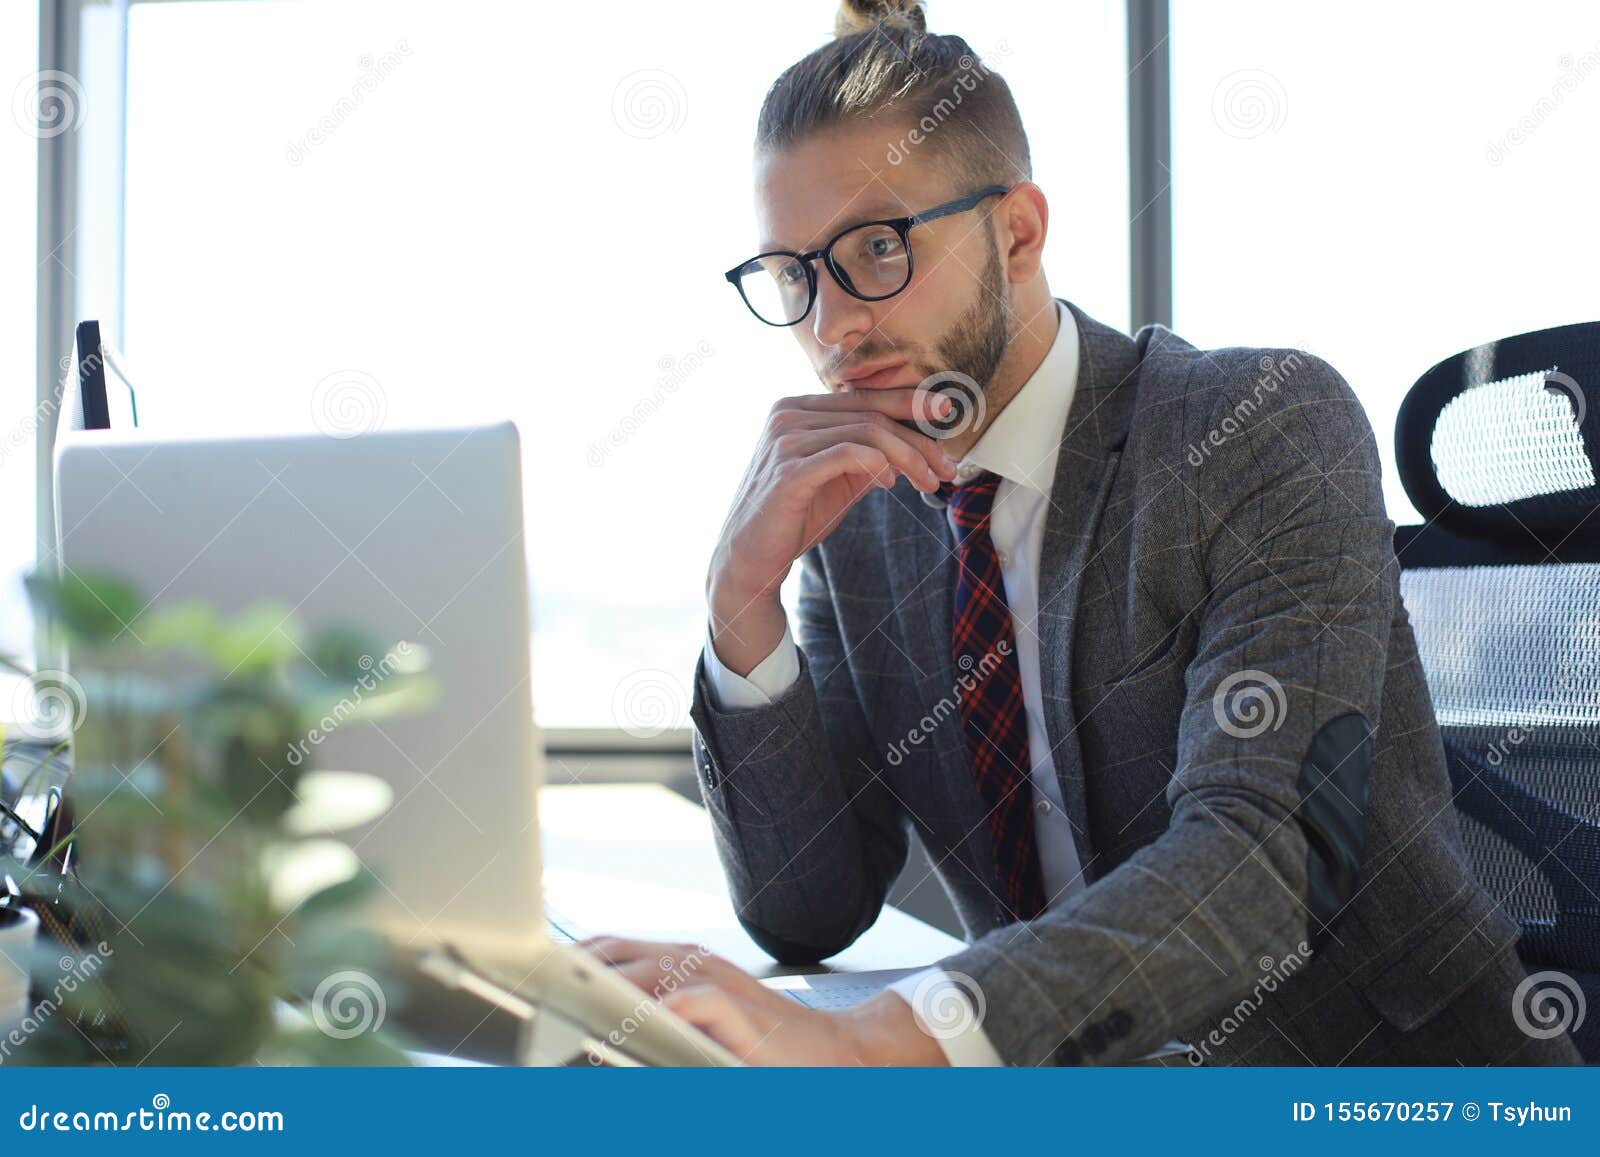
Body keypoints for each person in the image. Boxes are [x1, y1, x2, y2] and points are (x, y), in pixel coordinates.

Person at [585, 0, 1581, 1066]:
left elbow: (1264, 866)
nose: (832, 327)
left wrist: (890, 1037)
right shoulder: (861, 513)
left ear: (1015, 231)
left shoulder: (1257, 425)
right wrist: (740, 606)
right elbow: (807, 912)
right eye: (794, 274)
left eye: (875, 249)